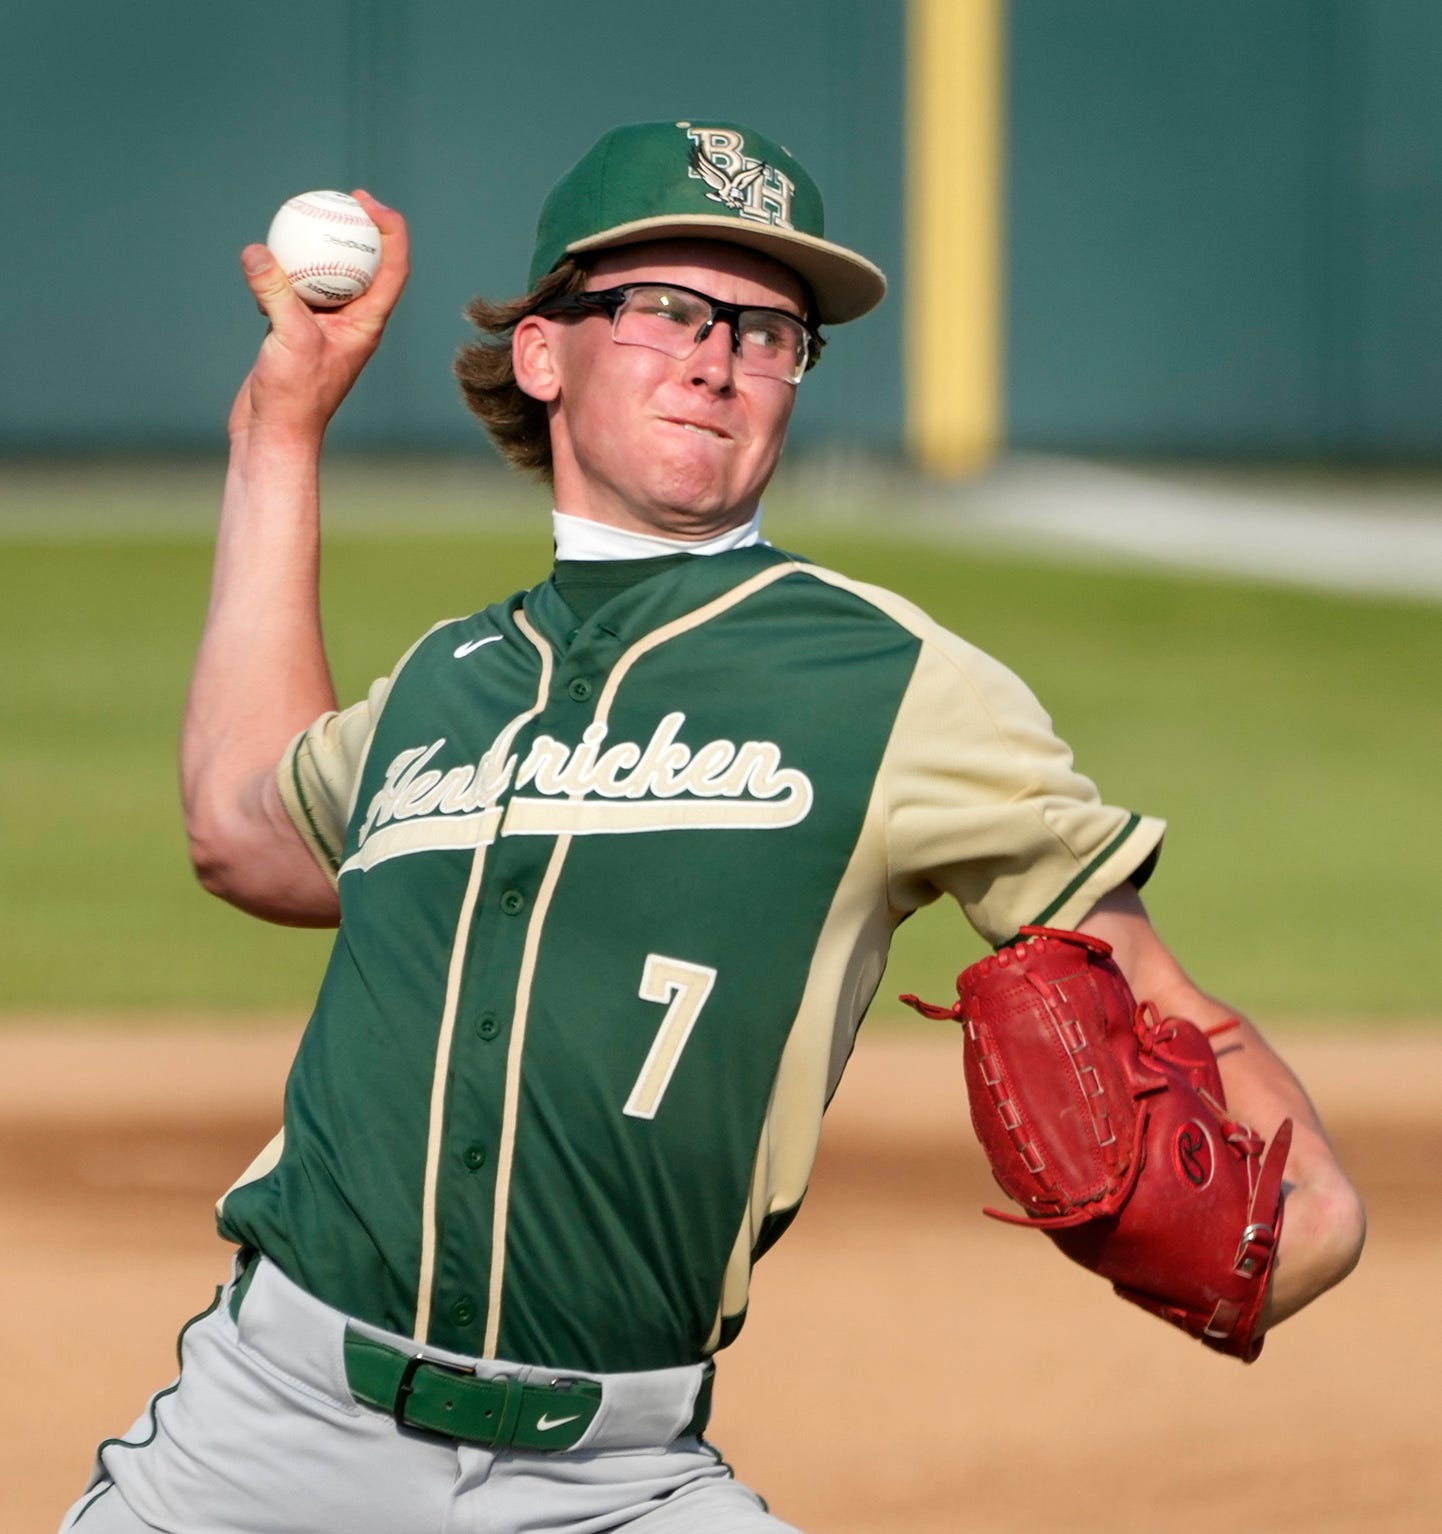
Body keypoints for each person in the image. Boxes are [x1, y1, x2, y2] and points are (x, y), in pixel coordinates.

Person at [61, 119, 1365, 1534]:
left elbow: (1152, 996)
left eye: (768, 331)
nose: (717, 355)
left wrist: (1315, 1225)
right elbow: (243, 832)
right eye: (665, 310)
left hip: (613, 1479)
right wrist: (281, 424)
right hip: (263, 1433)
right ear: (543, 354)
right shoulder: (441, 682)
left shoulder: (898, 686)